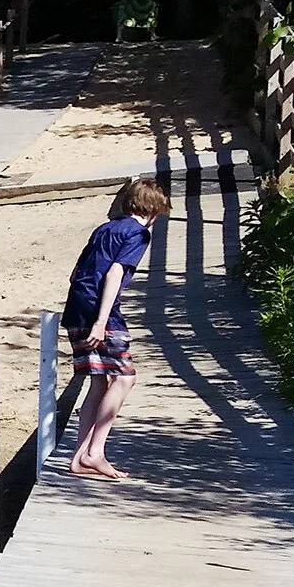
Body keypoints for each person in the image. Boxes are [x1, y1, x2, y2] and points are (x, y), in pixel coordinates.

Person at [62, 178, 170, 480]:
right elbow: (115, 272)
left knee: (99, 381)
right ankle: (95, 453)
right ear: (154, 210)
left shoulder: (104, 228)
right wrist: (101, 321)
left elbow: (77, 270)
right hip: (100, 312)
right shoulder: (137, 233)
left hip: (77, 306)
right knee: (124, 379)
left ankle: (78, 457)